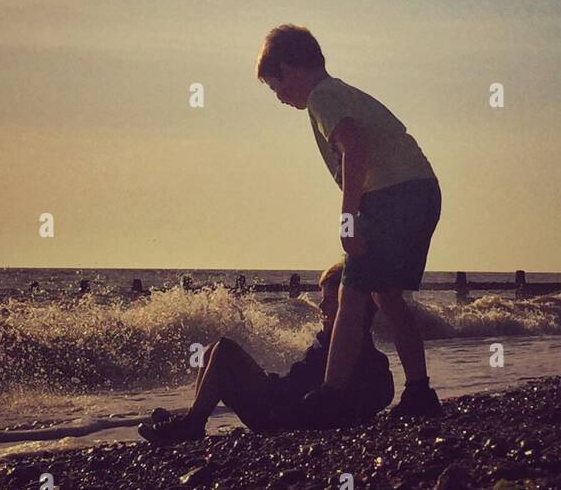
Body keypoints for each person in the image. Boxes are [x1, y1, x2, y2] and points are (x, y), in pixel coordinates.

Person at [256, 24, 443, 424]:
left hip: (392, 196)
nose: (280, 98)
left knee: (352, 291)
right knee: (388, 297)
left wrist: (349, 218)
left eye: (276, 87)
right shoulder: (344, 91)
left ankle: (332, 394)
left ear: (289, 70)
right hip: (422, 191)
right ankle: (419, 392)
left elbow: (353, 146)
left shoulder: (323, 96)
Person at [138, 262, 393, 443]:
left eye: (329, 299)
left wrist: (298, 413)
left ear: (351, 305)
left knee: (225, 350)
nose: (321, 305)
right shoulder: (329, 341)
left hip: (278, 412)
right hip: (280, 400)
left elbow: (364, 396)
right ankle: (194, 417)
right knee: (211, 350)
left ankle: (193, 424)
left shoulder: (358, 355)